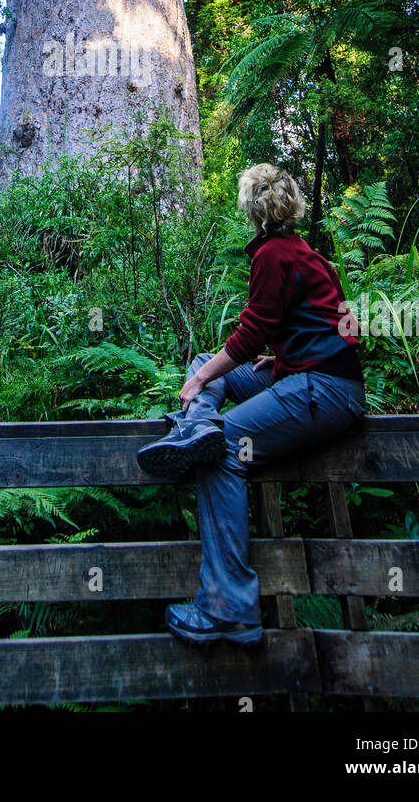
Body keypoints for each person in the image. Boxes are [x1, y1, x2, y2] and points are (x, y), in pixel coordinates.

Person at [137, 163, 366, 647]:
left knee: (221, 454)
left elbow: (253, 328)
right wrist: (283, 357)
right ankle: (197, 427)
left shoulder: (273, 255)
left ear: (252, 208)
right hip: (316, 380)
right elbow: (346, 328)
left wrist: (202, 378)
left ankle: (228, 610)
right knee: (207, 362)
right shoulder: (309, 254)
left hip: (323, 390)